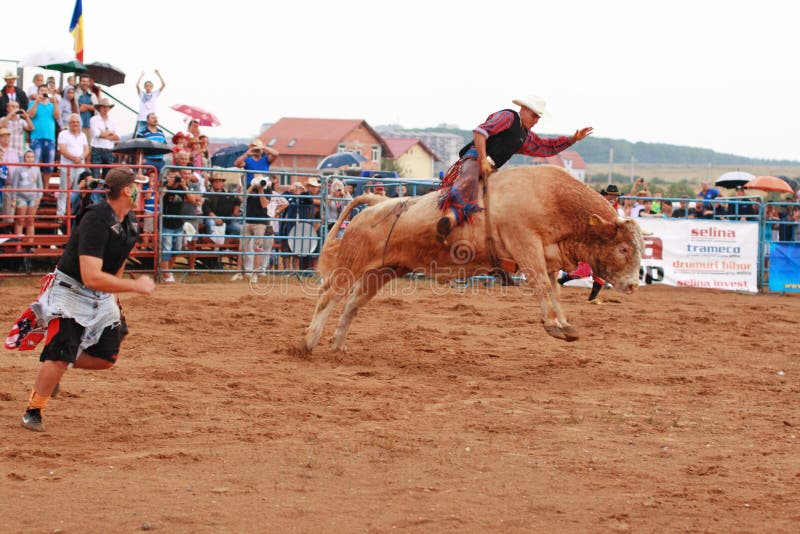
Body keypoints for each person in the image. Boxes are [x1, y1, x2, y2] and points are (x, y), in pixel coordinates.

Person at [18, 167, 154, 432]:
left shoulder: (130, 221)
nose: (143, 190)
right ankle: (34, 409)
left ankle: (57, 360)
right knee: (60, 353)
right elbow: (91, 276)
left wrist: (114, 295)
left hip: (99, 292)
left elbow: (117, 263)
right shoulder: (96, 219)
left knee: (106, 357)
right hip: (70, 291)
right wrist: (133, 286)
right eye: (139, 185)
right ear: (127, 190)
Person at [435, 95, 592, 242]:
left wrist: (572, 139)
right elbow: (480, 133)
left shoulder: (525, 136)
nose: (536, 120)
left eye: (538, 117)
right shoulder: (508, 117)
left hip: (490, 169)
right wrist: (482, 159)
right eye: (534, 115)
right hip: (475, 158)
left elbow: (546, 146)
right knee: (469, 185)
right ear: (523, 110)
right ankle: (449, 220)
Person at [56, 113, 89, 218]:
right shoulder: (63, 134)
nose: (75, 124)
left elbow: (87, 149)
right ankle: (61, 214)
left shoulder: (83, 135)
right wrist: (74, 158)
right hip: (67, 166)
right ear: (69, 123)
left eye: (77, 122)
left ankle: (73, 213)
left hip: (79, 167)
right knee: (64, 190)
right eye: (73, 122)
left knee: (77, 191)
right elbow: (63, 150)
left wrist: (81, 158)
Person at [159, 170, 189, 283]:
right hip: (167, 223)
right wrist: (168, 185)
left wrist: (184, 186)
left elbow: (192, 200)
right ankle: (166, 275)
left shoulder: (182, 188)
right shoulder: (165, 187)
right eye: (172, 177)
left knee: (176, 249)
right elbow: (159, 197)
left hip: (178, 223)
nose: (174, 179)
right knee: (166, 250)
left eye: (176, 177)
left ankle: (169, 271)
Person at [240, 177, 271, 283]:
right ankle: (241, 272)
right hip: (248, 220)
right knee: (243, 247)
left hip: (260, 223)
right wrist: (252, 186)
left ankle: (255, 273)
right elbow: (242, 198)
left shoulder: (267, 189)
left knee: (258, 248)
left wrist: (261, 190)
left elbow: (264, 204)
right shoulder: (250, 187)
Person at [9, 149, 43, 239]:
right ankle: (18, 245)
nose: (30, 159)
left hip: (33, 197)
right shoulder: (19, 169)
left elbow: (40, 184)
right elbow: (14, 185)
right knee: (20, 221)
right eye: (28, 157)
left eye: (32, 157)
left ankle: (30, 244)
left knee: (31, 221)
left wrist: (39, 197)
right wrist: (14, 199)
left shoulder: (36, 168)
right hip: (21, 197)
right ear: (24, 158)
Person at [28, 85, 61, 174]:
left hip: (50, 138)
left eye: (45, 91)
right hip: (36, 137)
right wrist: (37, 102)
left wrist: (55, 103)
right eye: (41, 90)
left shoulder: (52, 105)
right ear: (38, 92)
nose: (43, 92)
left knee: (49, 166)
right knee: (35, 164)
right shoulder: (32, 103)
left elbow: (57, 116)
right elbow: (30, 115)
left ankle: (45, 187)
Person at [202, 173, 242, 240]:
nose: (218, 183)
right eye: (216, 181)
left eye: (220, 181)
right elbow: (205, 208)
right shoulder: (208, 194)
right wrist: (216, 218)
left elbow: (237, 201)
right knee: (210, 223)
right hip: (213, 219)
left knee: (238, 228)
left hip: (227, 221)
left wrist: (235, 211)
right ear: (212, 183)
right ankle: (214, 245)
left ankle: (224, 244)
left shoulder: (228, 193)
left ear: (222, 183)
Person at [89, 98, 120, 178]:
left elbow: (117, 136)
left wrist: (102, 133)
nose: (105, 109)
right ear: (100, 108)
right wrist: (110, 133)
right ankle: (95, 190)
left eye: (107, 107)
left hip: (108, 150)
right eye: (103, 107)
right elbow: (97, 134)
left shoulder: (113, 120)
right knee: (95, 176)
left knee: (108, 178)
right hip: (97, 149)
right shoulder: (93, 119)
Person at [135, 70, 165, 135]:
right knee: (141, 135)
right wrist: (141, 76)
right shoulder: (142, 94)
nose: (148, 87)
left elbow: (163, 85)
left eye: (150, 86)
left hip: (151, 119)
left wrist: (158, 74)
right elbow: (137, 85)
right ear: (144, 87)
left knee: (150, 135)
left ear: (152, 87)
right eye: (147, 86)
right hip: (142, 118)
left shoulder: (155, 94)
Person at [74, 74, 98, 142]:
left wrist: (86, 106)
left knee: (89, 149)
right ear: (79, 82)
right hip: (78, 126)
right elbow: (76, 109)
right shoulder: (75, 94)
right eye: (83, 81)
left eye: (87, 81)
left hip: (90, 126)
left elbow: (97, 109)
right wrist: (89, 107)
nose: (85, 83)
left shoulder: (92, 95)